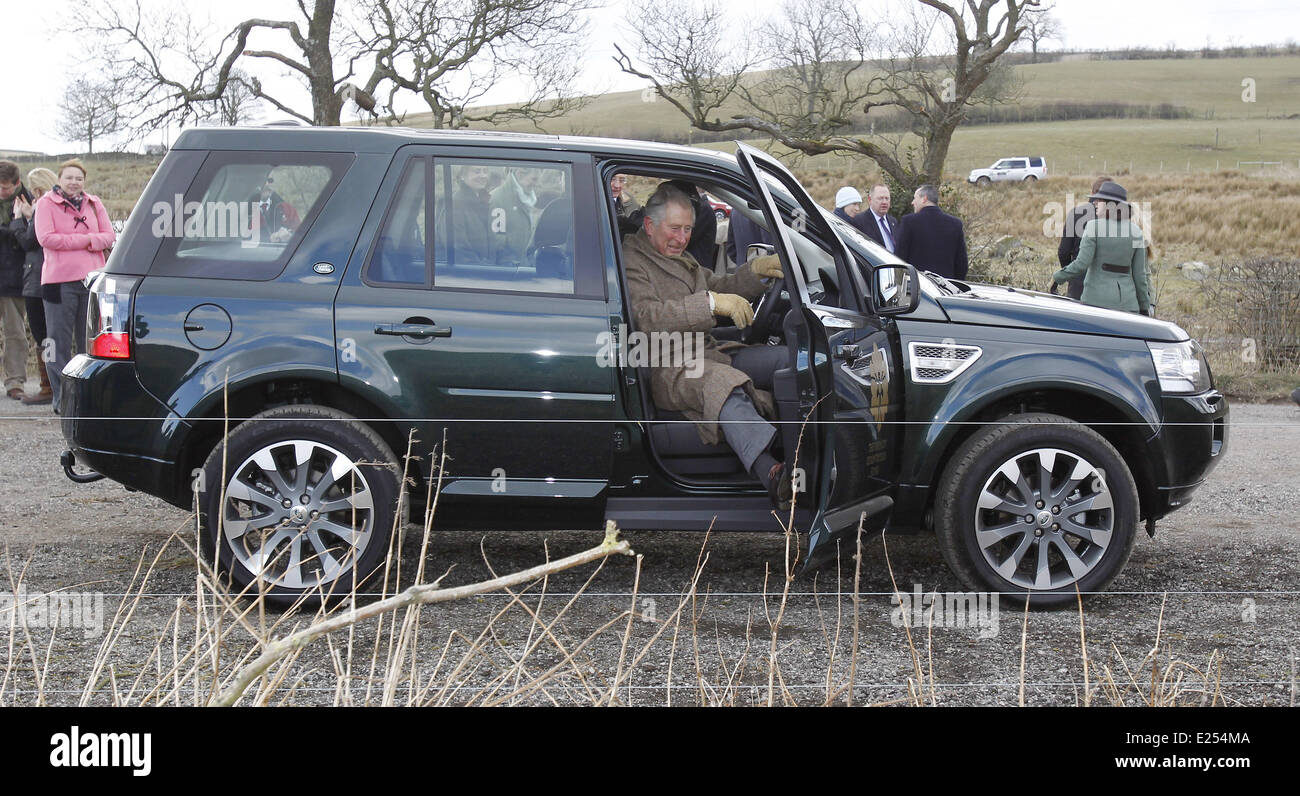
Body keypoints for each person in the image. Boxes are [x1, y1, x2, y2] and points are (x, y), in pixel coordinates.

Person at [622, 182, 792, 508]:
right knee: (721, 383)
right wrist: (710, 304)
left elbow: (716, 284)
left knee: (787, 360)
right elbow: (646, 317)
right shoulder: (632, 260)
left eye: (687, 229)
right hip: (668, 365)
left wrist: (755, 273)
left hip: (707, 353)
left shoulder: (680, 257)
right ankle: (770, 473)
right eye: (674, 229)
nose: (682, 238)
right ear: (649, 224)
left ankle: (809, 452)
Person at [35, 159, 116, 410]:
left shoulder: (94, 203)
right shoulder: (45, 204)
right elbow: (46, 238)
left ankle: (85, 398)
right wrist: (88, 241)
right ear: (60, 179)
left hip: (91, 280)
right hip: (58, 282)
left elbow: (109, 236)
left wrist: (78, 240)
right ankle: (61, 397)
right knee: (56, 343)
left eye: (78, 178)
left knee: (88, 342)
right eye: (69, 177)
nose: (74, 182)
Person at [1051, 181, 1151, 315]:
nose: (1094, 203)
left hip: (1095, 302)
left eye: (1099, 200)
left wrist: (1057, 277)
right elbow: (1140, 275)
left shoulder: (1093, 227)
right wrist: (1145, 306)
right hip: (1127, 304)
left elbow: (1081, 264)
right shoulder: (1137, 232)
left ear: (1110, 205)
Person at [8, 167, 59, 404]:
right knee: (48, 336)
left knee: (44, 336)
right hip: (42, 277)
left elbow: (30, 241)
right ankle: (50, 384)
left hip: (38, 279)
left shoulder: (44, 207)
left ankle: (49, 386)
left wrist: (19, 220)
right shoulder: (53, 207)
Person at [0, 160, 32, 400]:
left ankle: (15, 382)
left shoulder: (30, 203)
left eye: (5, 188)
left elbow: (27, 239)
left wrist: (14, 228)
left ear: (17, 184)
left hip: (13, 277)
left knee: (15, 333)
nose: (2, 192)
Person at [894, 184, 968, 280]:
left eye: (915, 198)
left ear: (924, 199)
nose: (912, 203)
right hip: (946, 287)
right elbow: (962, 264)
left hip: (919, 287)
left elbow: (900, 258)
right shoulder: (955, 224)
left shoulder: (909, 222)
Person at [1055, 175, 1111, 299]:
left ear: (1092, 193)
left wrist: (1069, 275)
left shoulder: (1076, 213)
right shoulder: (1118, 219)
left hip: (1078, 283)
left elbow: (1063, 252)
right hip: (1108, 287)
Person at [437, 164, 494, 265]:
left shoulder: (487, 201)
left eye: (485, 171)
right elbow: (458, 251)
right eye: (477, 171)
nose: (483, 175)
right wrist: (485, 269)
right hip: (468, 275)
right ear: (463, 176)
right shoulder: (455, 205)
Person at [489, 166, 540, 266]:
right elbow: (497, 243)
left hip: (521, 267)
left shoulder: (525, 197)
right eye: (534, 179)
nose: (536, 184)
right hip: (509, 271)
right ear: (520, 173)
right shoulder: (498, 200)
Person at [248, 176, 301, 243]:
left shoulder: (287, 208)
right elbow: (240, 239)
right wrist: (268, 239)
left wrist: (290, 235)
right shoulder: (244, 211)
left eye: (269, 181)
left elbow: (301, 234)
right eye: (263, 181)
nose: (267, 184)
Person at [851, 184, 897, 254]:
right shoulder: (859, 221)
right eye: (880, 198)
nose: (884, 202)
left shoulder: (893, 221)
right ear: (870, 200)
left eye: (887, 198)